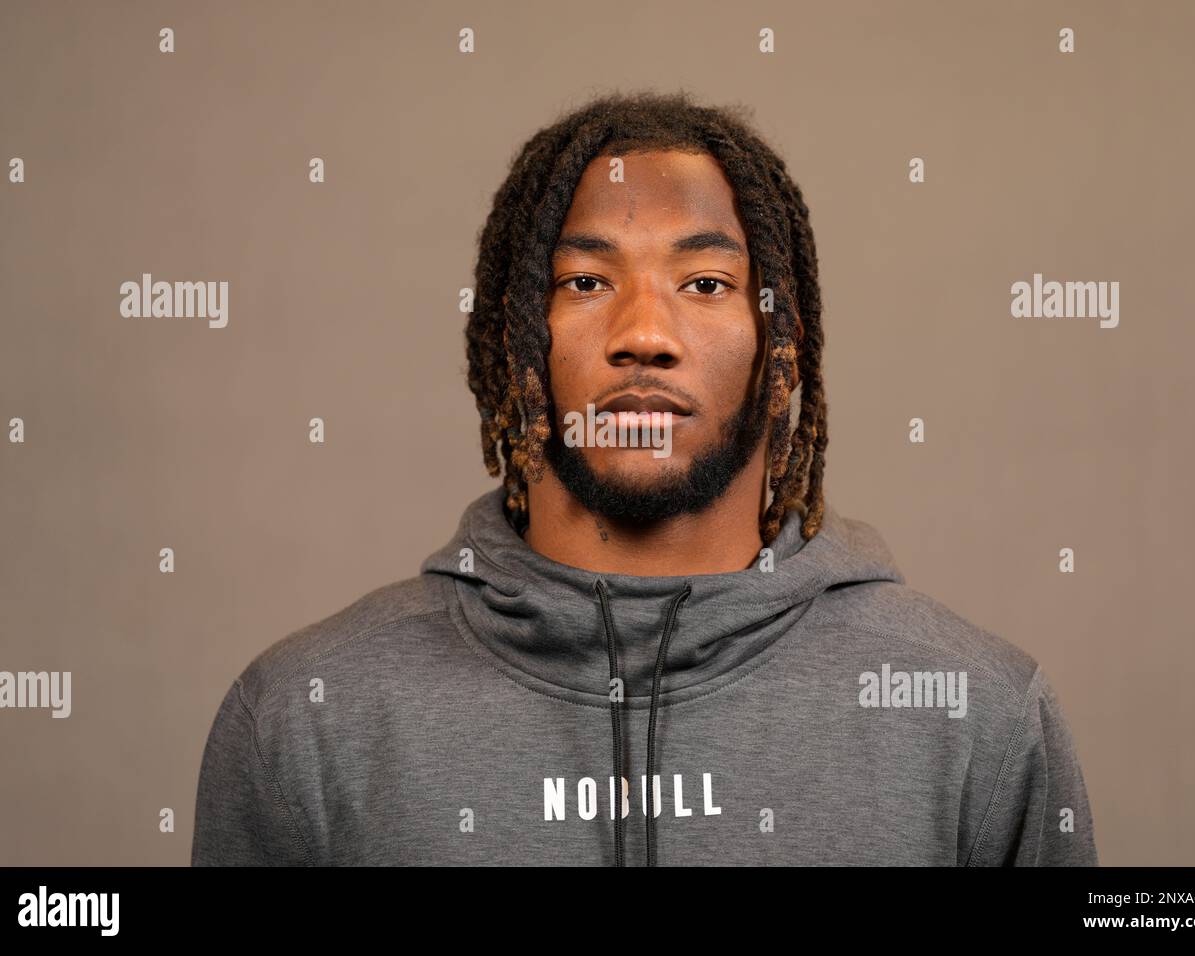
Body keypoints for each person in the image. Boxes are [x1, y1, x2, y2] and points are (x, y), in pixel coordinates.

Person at [191, 90, 1097, 866]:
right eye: (586, 282)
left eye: (704, 284)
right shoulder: (309, 718)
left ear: (782, 352)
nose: (643, 333)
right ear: (515, 343)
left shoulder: (975, 717)